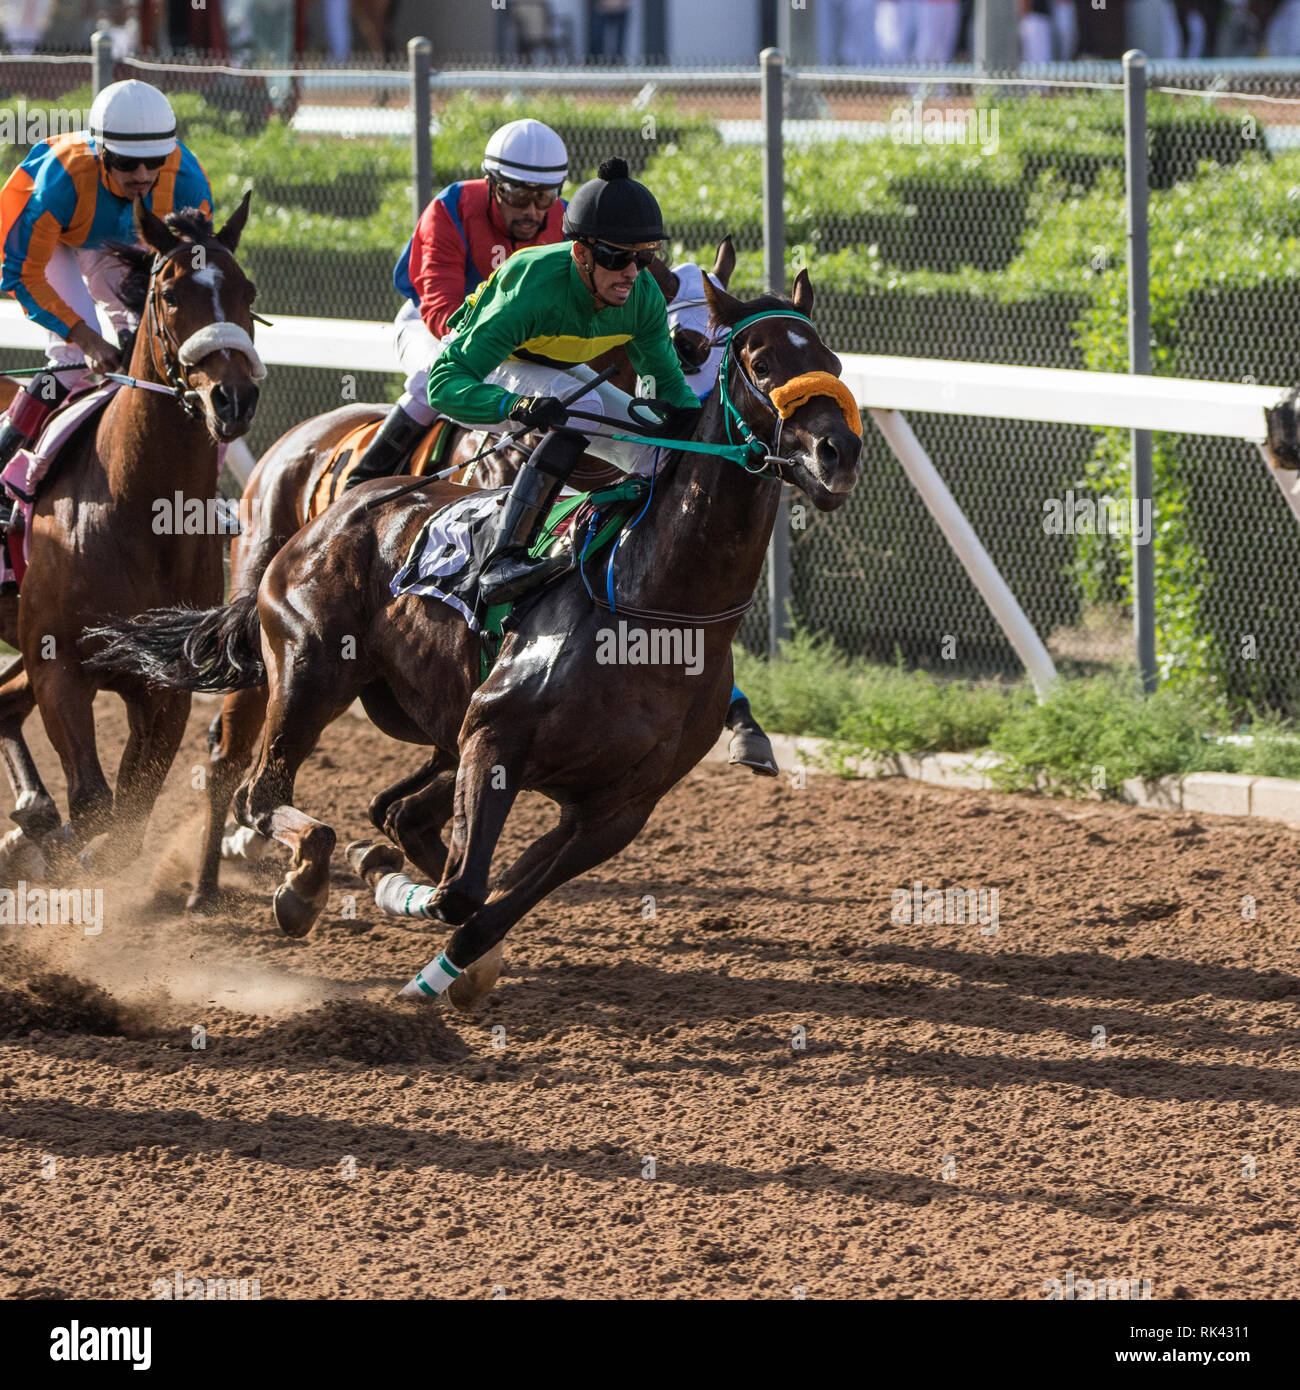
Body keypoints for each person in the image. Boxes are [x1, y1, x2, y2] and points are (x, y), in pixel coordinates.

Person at [425, 156, 701, 606]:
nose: (632, 272)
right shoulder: (531, 287)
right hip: (493, 360)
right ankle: (502, 559)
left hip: (554, 361)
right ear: (581, 254)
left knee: (655, 451)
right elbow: (444, 381)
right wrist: (512, 407)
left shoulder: (642, 295)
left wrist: (708, 426)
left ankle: (640, 558)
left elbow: (670, 387)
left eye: (644, 256)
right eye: (617, 257)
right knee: (581, 407)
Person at [0, 79, 212, 542]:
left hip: (121, 241)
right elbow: (19, 274)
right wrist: (84, 336)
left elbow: (193, 273)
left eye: (153, 162)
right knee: (73, 362)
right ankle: (4, 462)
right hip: (54, 240)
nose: (141, 175)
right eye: (124, 163)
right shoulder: (61, 179)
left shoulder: (188, 184)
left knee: (145, 348)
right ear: (100, 153)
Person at [343, 118, 569, 489]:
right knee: (435, 372)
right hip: (432, 326)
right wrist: (498, 343)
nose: (531, 211)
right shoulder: (450, 209)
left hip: (522, 339)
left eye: (544, 197)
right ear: (492, 184)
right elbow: (439, 310)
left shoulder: (563, 220)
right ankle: (364, 479)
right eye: (517, 196)